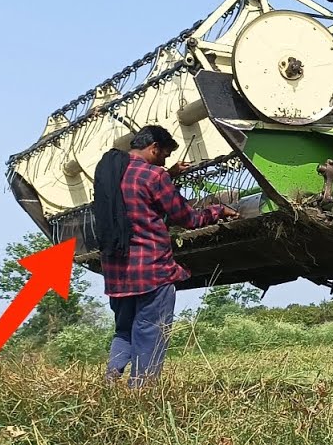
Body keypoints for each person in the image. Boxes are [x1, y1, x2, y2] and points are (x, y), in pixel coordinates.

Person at [93, 125, 238, 386]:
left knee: (125, 330)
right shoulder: (152, 176)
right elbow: (187, 218)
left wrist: (169, 175)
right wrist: (217, 210)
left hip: (116, 274)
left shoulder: (109, 174)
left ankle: (110, 381)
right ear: (154, 148)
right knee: (151, 331)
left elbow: (132, 201)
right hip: (151, 271)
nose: (165, 161)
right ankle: (142, 392)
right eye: (165, 155)